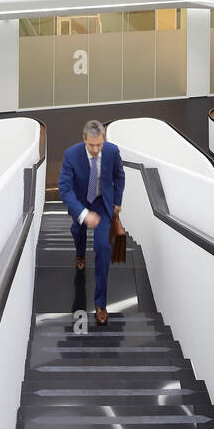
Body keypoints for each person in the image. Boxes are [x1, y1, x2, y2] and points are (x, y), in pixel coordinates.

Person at [58, 120, 125, 326]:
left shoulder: (112, 151)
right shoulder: (71, 155)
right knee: (78, 232)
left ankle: (100, 303)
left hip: (102, 205)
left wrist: (116, 202)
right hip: (80, 204)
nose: (96, 150)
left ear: (103, 140)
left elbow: (119, 176)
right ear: (84, 140)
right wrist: (83, 214)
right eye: (91, 145)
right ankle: (80, 254)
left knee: (104, 248)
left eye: (99, 145)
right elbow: (65, 189)